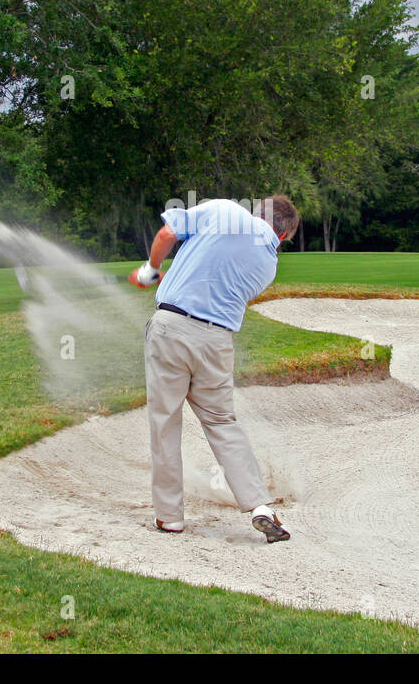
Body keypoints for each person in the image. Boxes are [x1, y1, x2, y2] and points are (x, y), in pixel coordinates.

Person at [128, 195, 300, 543]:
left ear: (257, 212)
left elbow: (167, 235)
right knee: (223, 424)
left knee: (165, 421)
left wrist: (151, 270)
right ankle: (260, 507)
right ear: (282, 237)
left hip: (171, 328)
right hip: (217, 343)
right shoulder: (268, 264)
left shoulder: (224, 210)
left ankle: (170, 517)